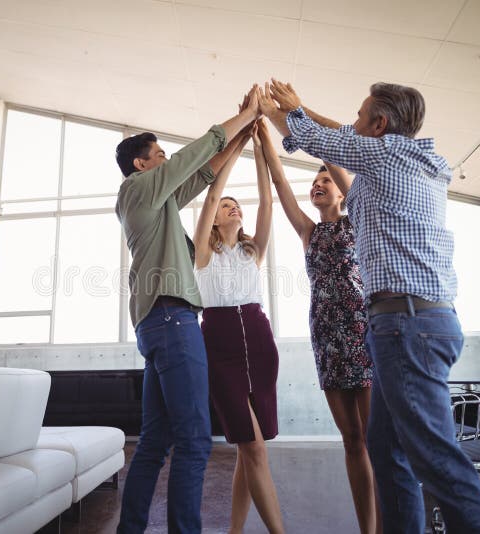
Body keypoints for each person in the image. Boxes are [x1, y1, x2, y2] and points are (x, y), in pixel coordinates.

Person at [258, 80, 480, 533]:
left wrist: (288, 109)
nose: (351, 123)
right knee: (386, 451)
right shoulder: (410, 161)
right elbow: (340, 139)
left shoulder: (384, 156)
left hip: (407, 324)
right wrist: (302, 114)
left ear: (380, 124)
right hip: (409, 321)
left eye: (359, 115)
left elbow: (320, 138)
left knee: (435, 457)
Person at [114, 86, 261, 534]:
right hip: (172, 320)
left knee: (155, 441)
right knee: (195, 441)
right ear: (142, 164)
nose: (166, 158)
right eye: (159, 154)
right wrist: (243, 117)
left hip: (159, 323)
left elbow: (204, 177)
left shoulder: (157, 206)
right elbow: (193, 157)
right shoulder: (139, 189)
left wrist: (242, 136)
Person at [257, 110, 379, 533]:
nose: (318, 184)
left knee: (373, 441)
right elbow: (281, 185)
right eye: (315, 181)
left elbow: (346, 170)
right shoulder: (310, 232)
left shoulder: (360, 221)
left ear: (342, 193)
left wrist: (301, 122)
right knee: (351, 441)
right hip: (327, 338)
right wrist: (266, 141)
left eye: (326, 180)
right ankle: (367, 528)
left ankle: (387, 523)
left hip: (362, 335)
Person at [193, 118, 283, 534]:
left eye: (236, 206)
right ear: (214, 222)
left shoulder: (252, 253)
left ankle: (235, 530)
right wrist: (237, 142)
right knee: (252, 446)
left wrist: (262, 149)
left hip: (259, 341)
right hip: (220, 343)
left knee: (254, 448)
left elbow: (267, 203)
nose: (234, 208)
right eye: (228, 207)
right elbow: (211, 197)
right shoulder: (203, 255)